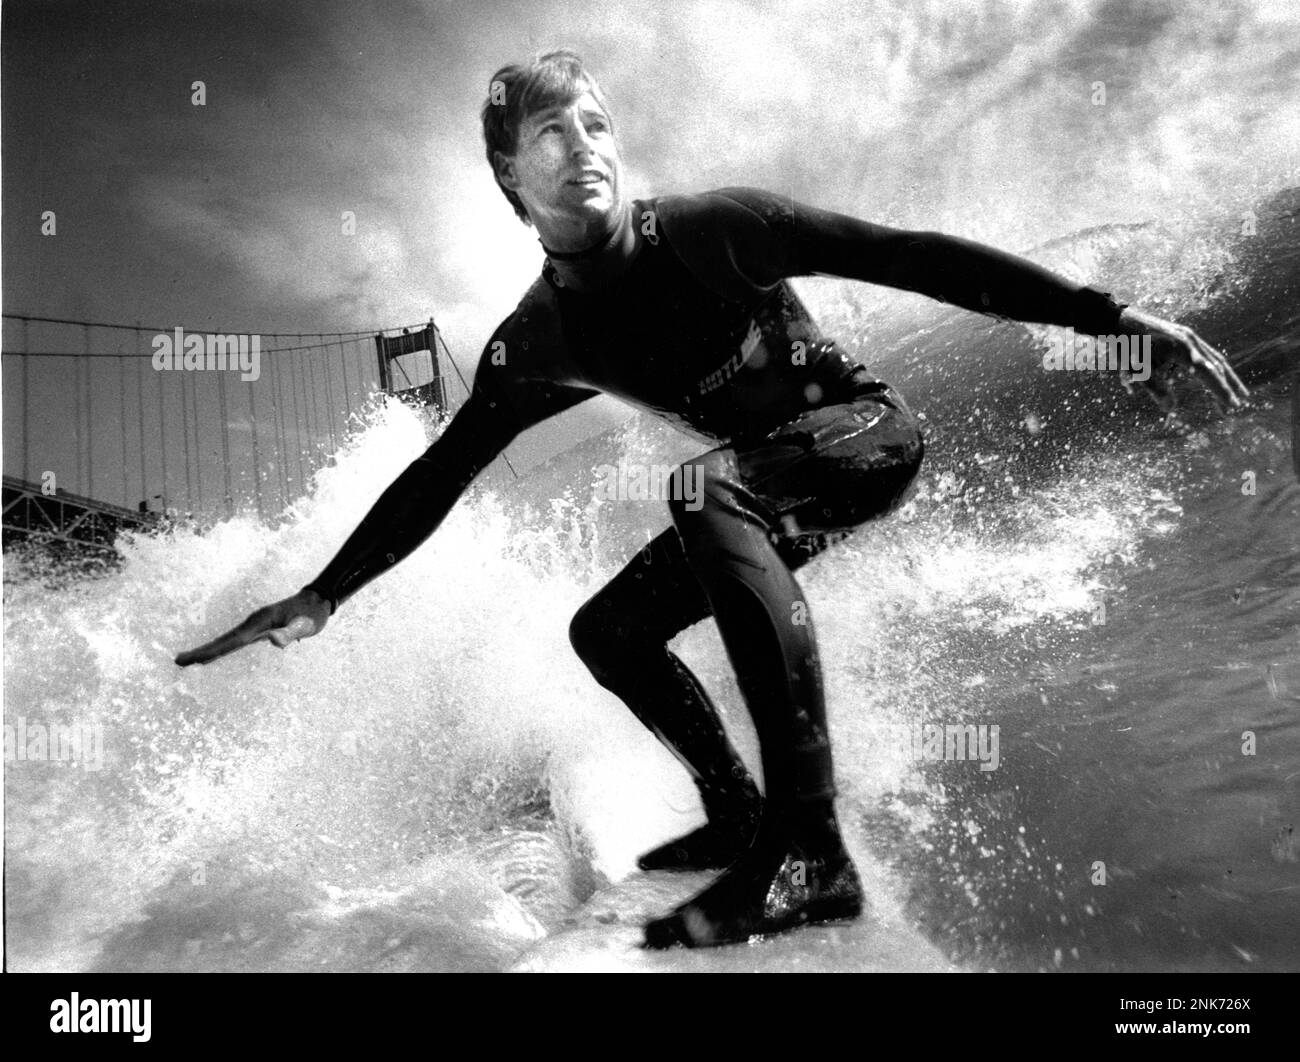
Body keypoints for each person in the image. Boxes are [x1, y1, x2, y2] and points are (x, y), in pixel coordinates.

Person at [176, 50, 1248, 949]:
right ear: (509, 177)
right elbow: (440, 470)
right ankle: (736, 810)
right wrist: (323, 594)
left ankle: (810, 847)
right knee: (606, 630)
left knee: (704, 489)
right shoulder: (539, 342)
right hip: (757, 487)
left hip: (864, 437)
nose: (580, 145)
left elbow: (902, 256)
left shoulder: (712, 228)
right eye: (548, 134)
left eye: (595, 123)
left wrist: (1101, 315)